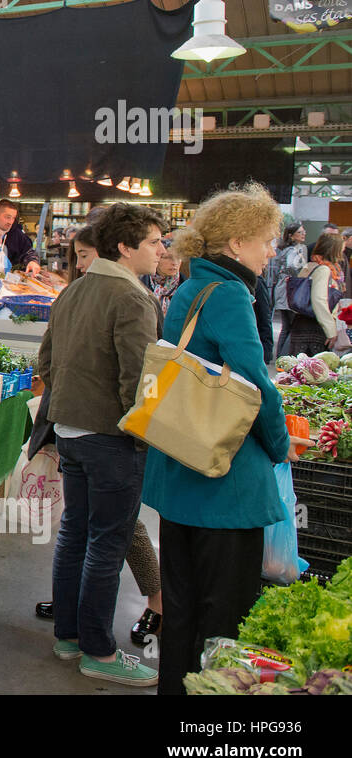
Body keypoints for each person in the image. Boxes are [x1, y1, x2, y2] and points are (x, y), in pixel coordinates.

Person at [141, 184, 300, 696]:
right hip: (223, 482)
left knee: (182, 603)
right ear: (236, 243)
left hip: (179, 468)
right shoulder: (230, 294)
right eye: (266, 240)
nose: (272, 250)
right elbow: (254, 386)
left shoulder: (191, 286)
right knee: (225, 612)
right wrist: (282, 446)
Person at [36, 202, 166, 687]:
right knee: (106, 544)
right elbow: (141, 382)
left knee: (74, 534)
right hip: (112, 438)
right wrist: (152, 435)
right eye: (153, 242)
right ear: (126, 247)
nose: (160, 250)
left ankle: (69, 637)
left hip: (68, 430)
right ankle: (99, 651)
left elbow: (45, 361)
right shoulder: (133, 299)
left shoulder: (75, 291)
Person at [280, 232, 343, 357]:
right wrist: (330, 330)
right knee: (312, 371)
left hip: (300, 323)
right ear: (334, 249)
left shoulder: (310, 266)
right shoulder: (324, 270)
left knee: (299, 369)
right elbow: (319, 300)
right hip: (314, 327)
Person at [269, 222, 308, 356]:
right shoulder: (293, 250)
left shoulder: (287, 249)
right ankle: (283, 356)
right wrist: (303, 273)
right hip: (288, 290)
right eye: (300, 232)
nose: (304, 234)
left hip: (284, 289)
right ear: (291, 236)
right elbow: (292, 266)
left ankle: (281, 355)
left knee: (286, 326)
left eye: (303, 232)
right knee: (290, 326)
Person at [141, 239, 182, 316]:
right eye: (167, 257)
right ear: (156, 258)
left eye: (178, 257)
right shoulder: (140, 284)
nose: (174, 262)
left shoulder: (185, 287)